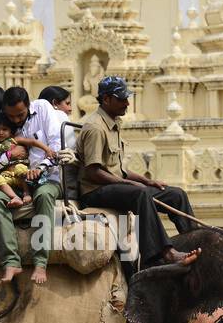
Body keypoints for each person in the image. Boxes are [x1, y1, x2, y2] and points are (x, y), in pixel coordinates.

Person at [76, 76, 199, 270]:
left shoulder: (114, 123)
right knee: (140, 194)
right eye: (121, 99)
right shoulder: (95, 127)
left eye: (127, 98)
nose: (127, 103)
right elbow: (93, 172)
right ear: (106, 99)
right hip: (95, 191)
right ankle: (162, 253)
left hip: (114, 185)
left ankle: (196, 242)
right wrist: (129, 185)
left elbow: (120, 170)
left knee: (176, 194)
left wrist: (147, 181)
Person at [0, 97, 65, 285]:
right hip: (13, 181)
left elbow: (56, 148)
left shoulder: (43, 109)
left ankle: (40, 262)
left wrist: (40, 168)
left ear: (27, 107)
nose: (15, 120)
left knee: (44, 195)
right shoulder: (2, 126)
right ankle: (11, 262)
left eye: (20, 115)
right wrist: (8, 156)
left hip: (47, 177)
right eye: (11, 116)